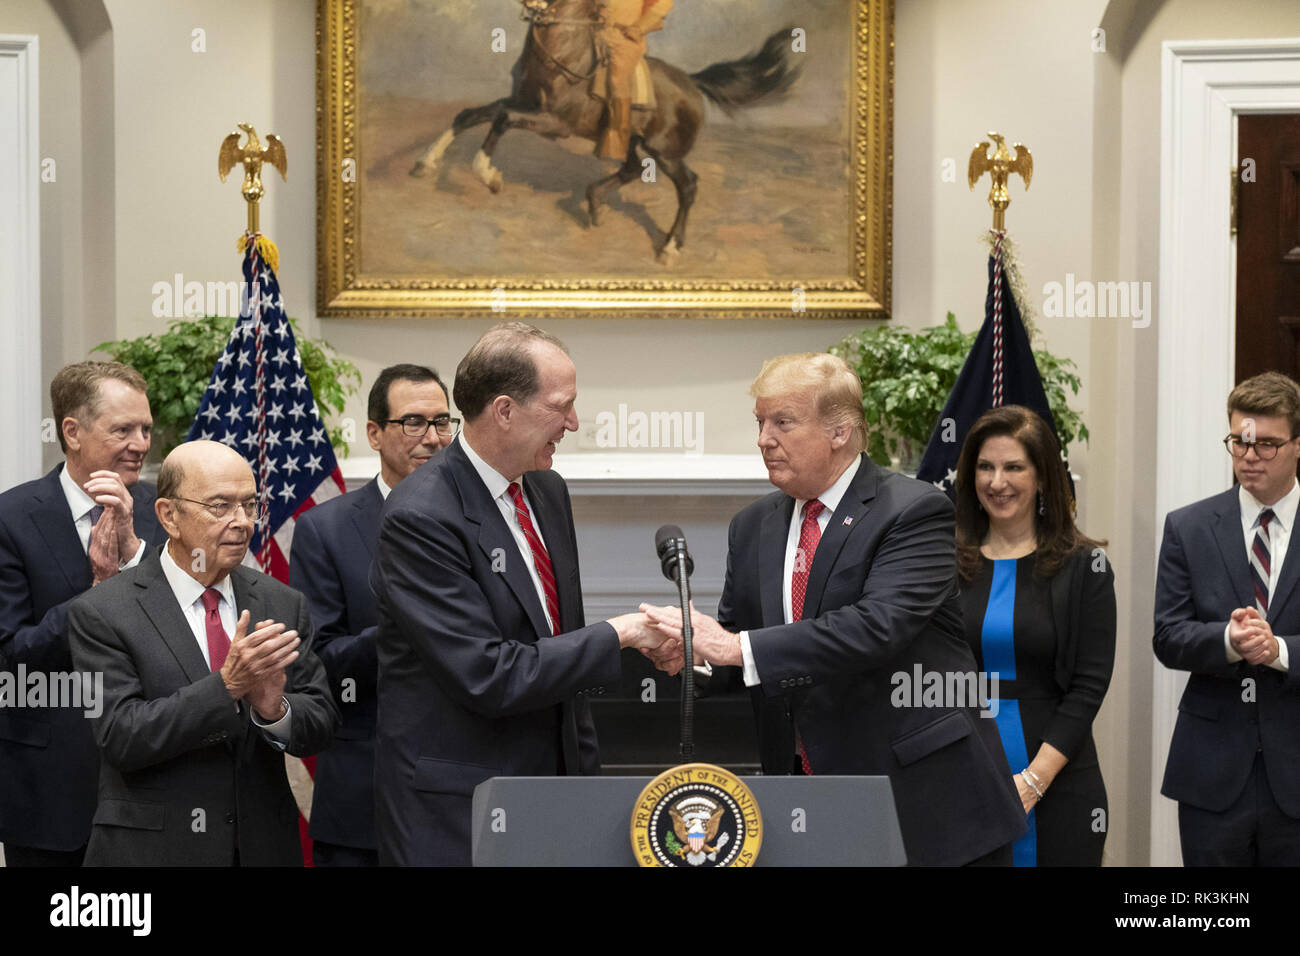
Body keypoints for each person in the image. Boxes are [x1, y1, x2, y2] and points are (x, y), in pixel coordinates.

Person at [642, 352, 1026, 866]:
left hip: (923, 798)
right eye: (760, 422)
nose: (763, 439)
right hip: (803, 796)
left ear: (840, 432)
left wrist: (734, 646)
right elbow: (745, 644)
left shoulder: (913, 511)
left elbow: (876, 627)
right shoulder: (754, 525)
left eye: (783, 422)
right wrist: (696, 656)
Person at [371, 322, 673, 866]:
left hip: (554, 794)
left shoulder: (547, 489)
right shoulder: (421, 516)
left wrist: (585, 778)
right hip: (461, 810)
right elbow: (488, 674)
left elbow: (554, 638)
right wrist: (622, 634)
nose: (574, 423)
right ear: (505, 411)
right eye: (563, 406)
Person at [67, 440, 338, 866]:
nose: (242, 522)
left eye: (250, 505)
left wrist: (274, 710)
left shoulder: (281, 602)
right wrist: (227, 687)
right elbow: (120, 737)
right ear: (168, 516)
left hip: (262, 846)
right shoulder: (103, 611)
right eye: (220, 506)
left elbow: (321, 722)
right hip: (154, 852)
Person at [289, 363, 456, 867]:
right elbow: (316, 662)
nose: (431, 437)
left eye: (442, 422)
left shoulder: (482, 522)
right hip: (365, 793)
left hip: (462, 787)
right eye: (413, 422)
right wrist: (398, 626)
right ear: (375, 434)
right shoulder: (326, 529)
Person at [0, 361, 164, 867]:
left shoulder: (166, 513)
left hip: (156, 789)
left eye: (145, 429)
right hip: (51, 795)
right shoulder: (11, 519)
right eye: (123, 429)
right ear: (72, 432)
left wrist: (136, 554)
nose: (140, 443)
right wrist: (100, 591)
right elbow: (12, 659)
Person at [952, 405, 1115, 866]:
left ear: (1042, 476)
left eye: (1013, 467)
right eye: (985, 466)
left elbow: (1088, 687)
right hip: (966, 777)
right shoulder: (946, 565)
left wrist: (1033, 781)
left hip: (1060, 781)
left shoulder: (1086, 567)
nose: (996, 481)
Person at [1155, 370, 1300, 865]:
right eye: (1239, 442)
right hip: (1211, 774)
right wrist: (1229, 641)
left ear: (1298, 445)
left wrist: (1278, 650)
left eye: (1266, 445)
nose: (1249, 456)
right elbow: (1168, 636)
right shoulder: (1187, 527)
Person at [596, 0, 673, 161]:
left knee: (617, 79)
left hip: (624, 39)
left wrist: (638, 29)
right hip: (597, 31)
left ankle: (618, 139)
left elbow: (660, 7)